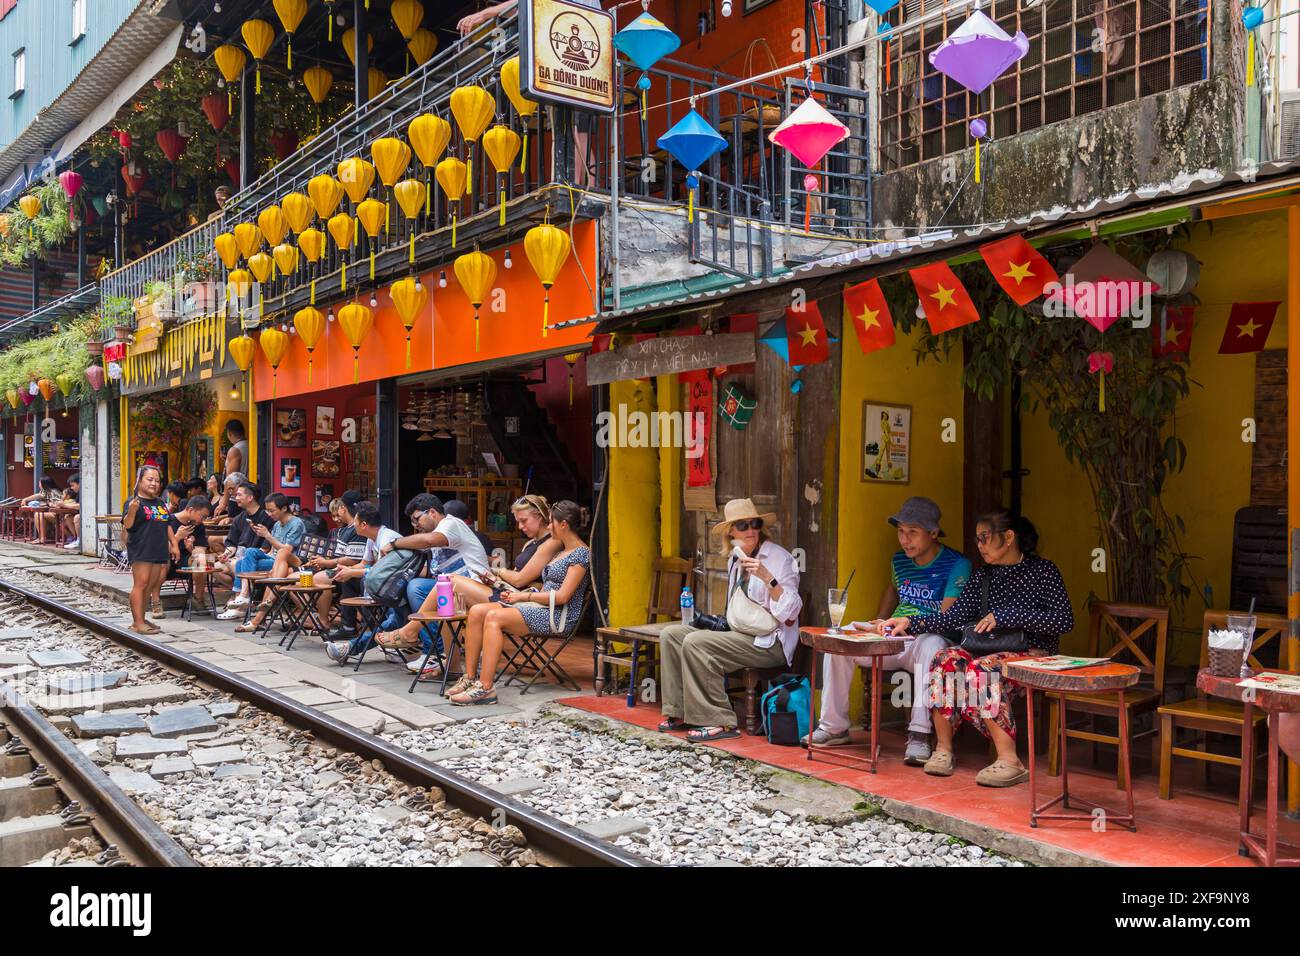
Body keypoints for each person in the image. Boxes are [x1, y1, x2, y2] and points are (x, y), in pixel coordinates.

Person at [882, 510, 1074, 787]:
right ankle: (943, 749)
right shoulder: (983, 575)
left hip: (1033, 653)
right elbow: (953, 617)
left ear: (1008, 537)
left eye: (984, 538)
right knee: (945, 658)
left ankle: (1010, 760)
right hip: (986, 651)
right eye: (978, 539)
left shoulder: (1043, 571)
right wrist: (911, 622)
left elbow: (1063, 620)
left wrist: (1007, 616)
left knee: (979, 669)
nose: (979, 545)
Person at [802, 497, 970, 766]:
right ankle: (834, 727)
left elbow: (947, 618)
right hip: (894, 638)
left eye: (913, 532)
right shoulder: (899, 561)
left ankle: (919, 734)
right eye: (901, 532)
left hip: (925, 641)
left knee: (932, 645)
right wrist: (879, 622)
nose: (905, 540)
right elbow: (893, 590)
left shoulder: (957, 564)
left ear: (934, 532)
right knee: (839, 637)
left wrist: (908, 624)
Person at [655, 498, 803, 743]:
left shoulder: (779, 558)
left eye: (754, 523)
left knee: (697, 642)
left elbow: (791, 614)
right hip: (741, 634)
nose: (751, 530)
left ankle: (719, 720)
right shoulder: (735, 559)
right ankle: (678, 711)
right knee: (671, 635)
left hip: (769, 643)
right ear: (730, 532)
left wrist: (768, 578)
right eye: (742, 526)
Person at [372, 495, 558, 679]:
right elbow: (516, 577)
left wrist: (495, 571)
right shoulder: (529, 543)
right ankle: (452, 667)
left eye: (524, 521)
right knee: (446, 603)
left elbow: (519, 580)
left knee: (447, 582)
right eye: (518, 522)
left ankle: (410, 631)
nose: (520, 527)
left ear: (540, 517)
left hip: (520, 601)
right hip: (502, 592)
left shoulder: (551, 543)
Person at [445, 500, 591, 706]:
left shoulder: (581, 555)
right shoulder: (561, 553)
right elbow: (547, 588)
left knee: (494, 617)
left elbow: (562, 597)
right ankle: (470, 678)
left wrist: (523, 597)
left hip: (556, 616)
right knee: (477, 611)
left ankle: (485, 688)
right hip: (540, 607)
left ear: (564, 524)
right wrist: (512, 590)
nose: (549, 527)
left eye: (551, 523)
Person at [322, 503, 401, 660]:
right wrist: (344, 570)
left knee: (392, 619)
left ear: (364, 525)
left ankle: (354, 644)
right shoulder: (372, 538)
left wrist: (352, 572)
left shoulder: (387, 538)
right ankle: (377, 642)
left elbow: (382, 573)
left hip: (396, 589)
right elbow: (364, 564)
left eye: (355, 522)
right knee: (350, 581)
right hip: (384, 587)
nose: (353, 525)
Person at [233, 493, 307, 633]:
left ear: (284, 508)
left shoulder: (296, 523)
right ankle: (244, 596)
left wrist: (267, 536)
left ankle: (246, 599)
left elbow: (286, 550)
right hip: (275, 561)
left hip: (291, 562)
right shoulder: (277, 524)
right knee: (246, 556)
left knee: (247, 563)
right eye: (267, 510)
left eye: (271, 510)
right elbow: (271, 551)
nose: (268, 514)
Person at [305, 491, 367, 628]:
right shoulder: (345, 529)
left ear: (343, 508)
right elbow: (338, 555)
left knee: (317, 579)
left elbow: (352, 560)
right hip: (339, 569)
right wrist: (320, 561)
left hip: (351, 572)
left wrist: (325, 562)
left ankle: (323, 621)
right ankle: (312, 616)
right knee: (296, 579)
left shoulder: (356, 529)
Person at [210, 482, 274, 615]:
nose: (235, 497)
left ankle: (240, 599)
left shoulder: (267, 517)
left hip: (258, 557)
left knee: (238, 563)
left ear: (250, 498)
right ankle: (243, 595)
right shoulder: (240, 518)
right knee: (214, 568)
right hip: (239, 556)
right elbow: (232, 544)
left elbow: (266, 549)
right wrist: (226, 554)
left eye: (239, 494)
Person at [122, 465, 170, 634]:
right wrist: (132, 511)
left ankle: (141, 619)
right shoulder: (133, 502)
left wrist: (173, 544)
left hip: (158, 548)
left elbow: (166, 523)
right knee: (140, 584)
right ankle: (138, 622)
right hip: (141, 547)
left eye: (157, 480)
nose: (154, 484)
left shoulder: (160, 502)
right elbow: (127, 525)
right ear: (140, 481)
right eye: (149, 479)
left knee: (150, 585)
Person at [168, 495, 212, 607]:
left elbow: (202, 549)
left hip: (186, 561)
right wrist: (177, 537)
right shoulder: (169, 521)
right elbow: (158, 549)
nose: (203, 520)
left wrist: (192, 549)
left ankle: (198, 598)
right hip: (165, 561)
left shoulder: (198, 526)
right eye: (202, 516)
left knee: (202, 558)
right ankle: (155, 601)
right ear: (191, 510)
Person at [22, 476, 62, 544]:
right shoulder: (45, 491)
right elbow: (38, 495)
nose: (39, 485)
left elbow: (58, 505)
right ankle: (41, 537)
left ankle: (42, 538)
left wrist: (49, 504)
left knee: (38, 514)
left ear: (45, 484)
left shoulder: (54, 492)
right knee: (38, 514)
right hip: (53, 514)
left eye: (40, 483)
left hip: (60, 515)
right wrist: (25, 499)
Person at [60, 473, 82, 550]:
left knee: (77, 517)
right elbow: (76, 504)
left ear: (79, 484)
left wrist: (64, 505)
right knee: (69, 518)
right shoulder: (78, 493)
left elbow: (79, 506)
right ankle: (76, 538)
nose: (71, 488)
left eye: (72, 485)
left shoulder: (84, 492)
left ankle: (80, 541)